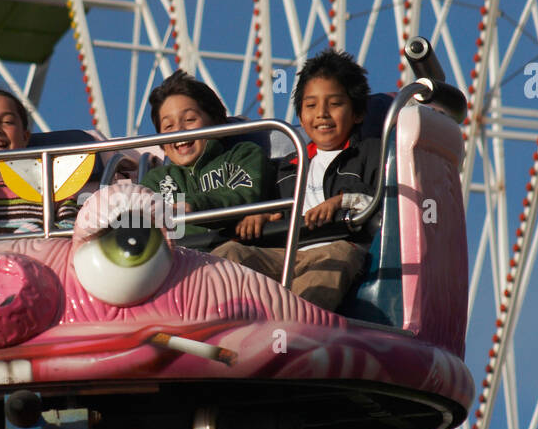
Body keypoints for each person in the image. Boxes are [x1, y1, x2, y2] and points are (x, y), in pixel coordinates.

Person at [213, 49, 379, 312]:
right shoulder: (288, 166)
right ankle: (215, 323)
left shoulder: (371, 153)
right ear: (301, 116)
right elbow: (276, 210)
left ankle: (293, 327)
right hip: (287, 252)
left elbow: (381, 204)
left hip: (336, 248)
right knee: (229, 253)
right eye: (311, 106)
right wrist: (262, 216)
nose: (322, 114)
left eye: (334, 104)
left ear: (357, 113)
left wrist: (340, 202)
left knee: (334, 261)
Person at [139, 71, 268, 239]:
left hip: (231, 251)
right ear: (162, 142)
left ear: (217, 122)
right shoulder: (155, 180)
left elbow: (245, 195)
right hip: (178, 259)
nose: (179, 131)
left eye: (190, 120)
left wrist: (194, 207)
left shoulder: (244, 156)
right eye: (168, 126)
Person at [0, 87, 77, 233]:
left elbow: (70, 225)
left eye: (7, 122)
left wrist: (34, 231)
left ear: (25, 136)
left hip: (37, 251)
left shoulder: (50, 179)